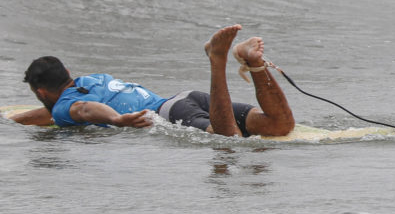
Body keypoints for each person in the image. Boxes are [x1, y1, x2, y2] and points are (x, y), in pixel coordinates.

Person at [12, 25, 296, 137]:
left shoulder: (67, 107)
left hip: (171, 113)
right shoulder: (89, 81)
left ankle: (217, 59)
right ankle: (254, 63)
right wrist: (16, 119)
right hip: (185, 100)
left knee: (227, 139)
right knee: (279, 126)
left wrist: (117, 120)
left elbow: (82, 111)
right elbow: (59, 111)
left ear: (40, 91)